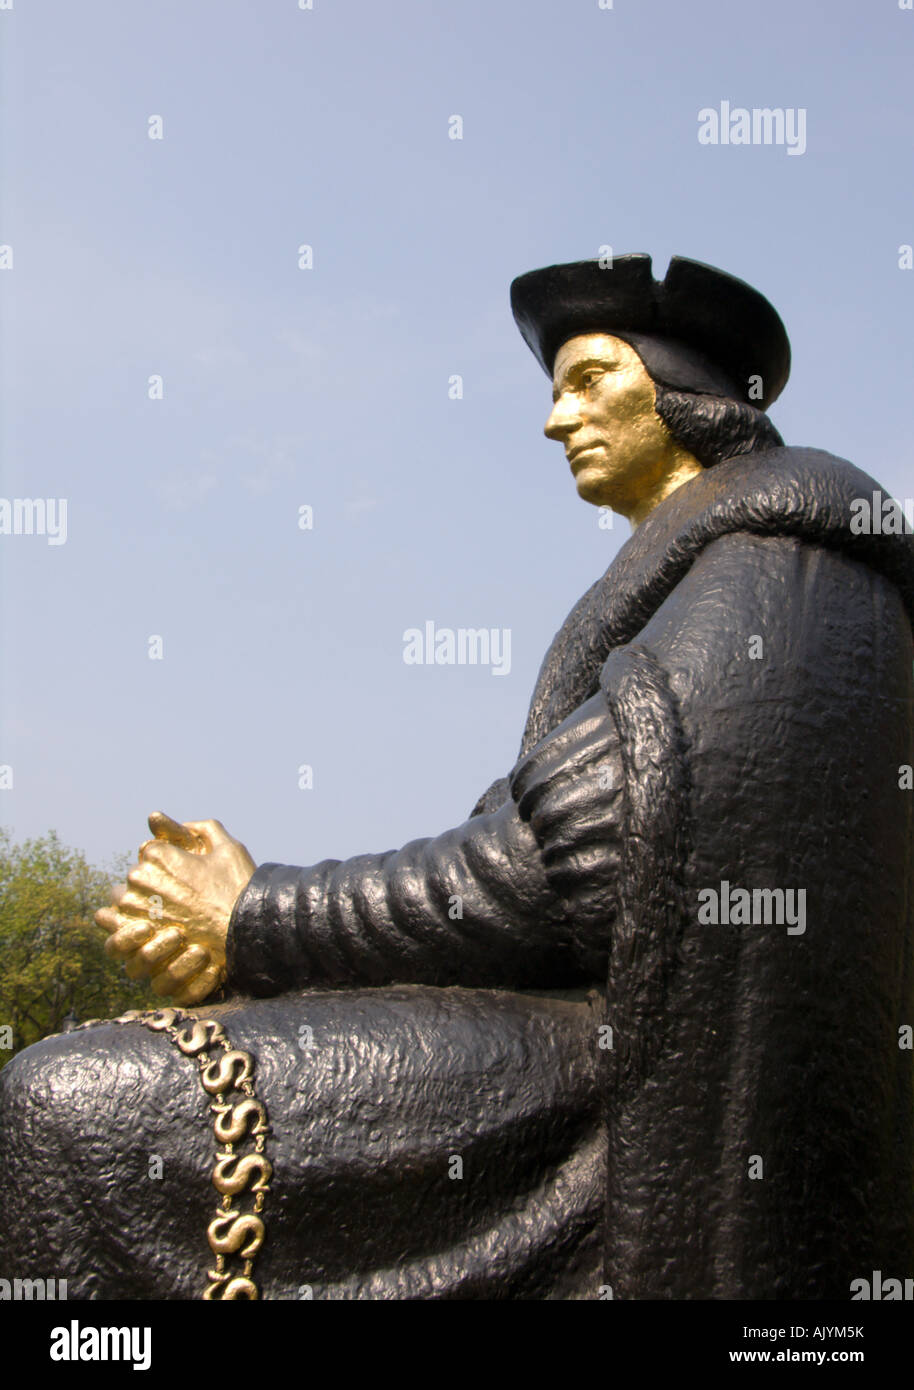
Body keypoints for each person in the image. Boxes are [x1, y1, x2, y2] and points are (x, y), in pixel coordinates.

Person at [1, 255, 912, 1300]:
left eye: (587, 379)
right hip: (602, 1048)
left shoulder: (772, 564)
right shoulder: (701, 575)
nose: (553, 419)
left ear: (685, 397)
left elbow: (563, 869)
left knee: (73, 1106)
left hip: (638, 1096)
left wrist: (257, 914)